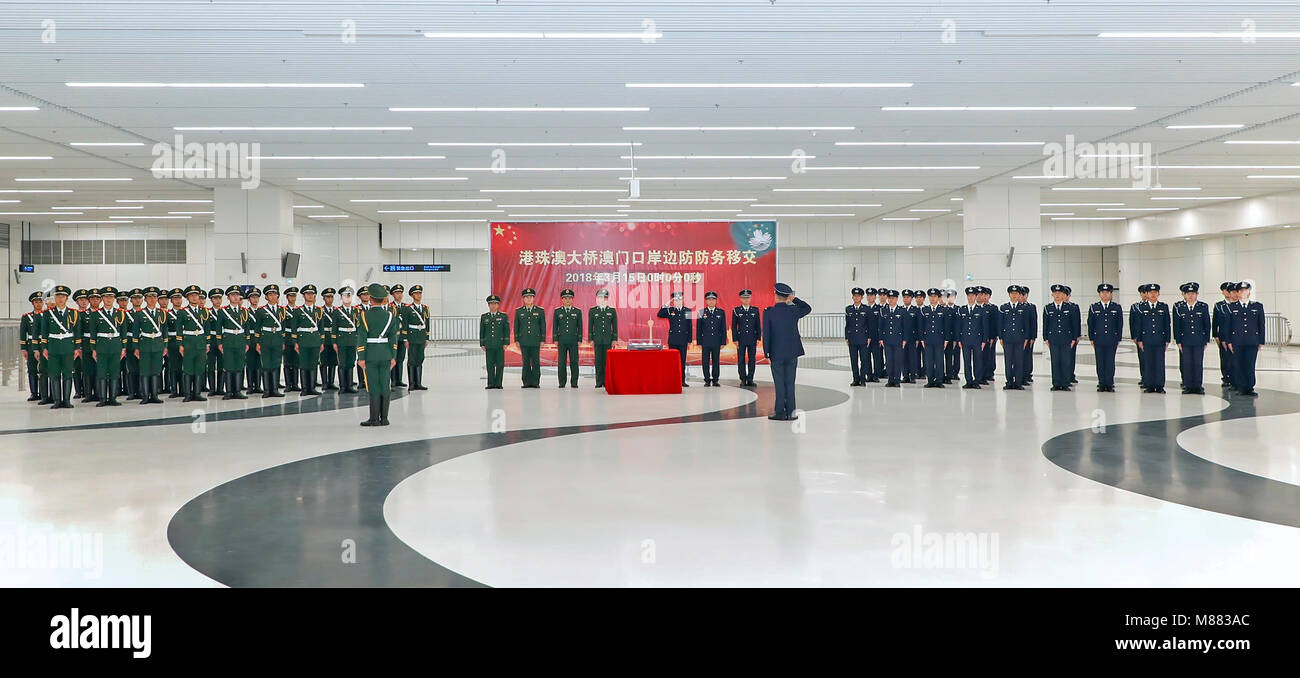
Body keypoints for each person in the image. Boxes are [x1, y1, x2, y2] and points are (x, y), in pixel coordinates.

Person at [761, 283, 811, 420]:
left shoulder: (769, 312)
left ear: (775, 295)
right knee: (790, 382)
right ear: (787, 296)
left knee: (779, 383)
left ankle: (780, 412)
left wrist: (767, 353)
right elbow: (807, 308)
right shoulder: (794, 310)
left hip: (776, 353)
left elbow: (767, 335)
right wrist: (794, 299)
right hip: (792, 352)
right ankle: (791, 411)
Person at [357, 283, 400, 426]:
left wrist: (361, 357)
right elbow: (394, 338)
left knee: (374, 385)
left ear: (371, 298)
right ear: (383, 299)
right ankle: (385, 418)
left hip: (371, 354)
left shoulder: (364, 315)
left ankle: (374, 419)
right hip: (386, 354)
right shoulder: (390, 315)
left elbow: (362, 337)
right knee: (385, 385)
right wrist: (393, 355)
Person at [41, 285, 81, 409]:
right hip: (53, 347)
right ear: (54, 298)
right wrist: (44, 348)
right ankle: (57, 401)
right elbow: (44, 332)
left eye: (63, 296)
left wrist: (77, 348)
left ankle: (67, 400)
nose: (60, 299)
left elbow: (77, 332)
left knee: (68, 374)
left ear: (66, 298)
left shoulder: (73, 313)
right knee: (54, 374)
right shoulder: (48, 314)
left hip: (68, 347)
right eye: (58, 296)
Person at [89, 286, 128, 407]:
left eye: (111, 297)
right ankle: (102, 398)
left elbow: (123, 332)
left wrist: (123, 347)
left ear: (114, 298)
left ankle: (112, 398)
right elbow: (93, 333)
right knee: (101, 372)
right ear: (102, 299)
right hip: (102, 346)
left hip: (115, 345)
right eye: (106, 297)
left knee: (114, 372)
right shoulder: (96, 314)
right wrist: (93, 349)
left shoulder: (120, 314)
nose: (109, 299)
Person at [1227, 281, 1264, 396]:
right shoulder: (1231, 307)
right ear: (1237, 293)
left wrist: (1261, 341)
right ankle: (1241, 387)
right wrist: (1228, 341)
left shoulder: (1257, 306)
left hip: (1252, 341)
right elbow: (1228, 326)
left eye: (1245, 290)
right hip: (1237, 341)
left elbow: (1261, 324)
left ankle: (1250, 387)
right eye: (1241, 291)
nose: (1243, 293)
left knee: (1250, 364)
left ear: (1249, 292)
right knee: (1239, 364)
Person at [1173, 282, 1211, 395]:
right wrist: (1178, 340)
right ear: (1184, 295)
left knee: (1198, 363)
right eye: (1188, 293)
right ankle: (1188, 386)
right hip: (1185, 340)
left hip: (1199, 340)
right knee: (1187, 363)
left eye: (1193, 293)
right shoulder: (1179, 307)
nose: (1190, 296)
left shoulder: (1203, 307)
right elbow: (1176, 325)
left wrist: (1206, 340)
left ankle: (1198, 385)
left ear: (1197, 294)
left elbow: (1207, 324)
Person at [132, 286, 167, 404]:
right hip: (145, 345)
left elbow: (165, 331)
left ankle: (155, 395)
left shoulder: (162, 313)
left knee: (156, 370)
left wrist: (165, 345)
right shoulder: (139, 314)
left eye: (154, 296)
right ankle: (145, 396)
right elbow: (135, 333)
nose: (152, 299)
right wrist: (136, 348)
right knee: (145, 371)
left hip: (157, 344)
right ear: (145, 299)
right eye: (149, 297)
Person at [215, 285, 252, 399]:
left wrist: (247, 343)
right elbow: (218, 328)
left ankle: (237, 391)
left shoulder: (244, 312)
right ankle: (229, 391)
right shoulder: (223, 311)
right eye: (233, 295)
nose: (235, 297)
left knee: (239, 366)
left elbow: (246, 329)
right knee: (229, 366)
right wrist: (219, 343)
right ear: (228, 297)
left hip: (240, 341)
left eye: (237, 295)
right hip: (228, 341)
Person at [1043, 284, 1081, 392]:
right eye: (1055, 293)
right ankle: (1056, 383)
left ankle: (1065, 383)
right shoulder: (1048, 308)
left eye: (1059, 293)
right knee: (1055, 362)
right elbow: (1046, 324)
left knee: (1065, 361)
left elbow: (1073, 324)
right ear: (1052, 294)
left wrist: (1074, 338)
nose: (1057, 295)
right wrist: (1045, 337)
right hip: (1053, 339)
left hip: (1066, 339)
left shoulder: (1070, 308)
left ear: (1063, 294)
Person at [1136, 283, 1172, 394]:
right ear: (1146, 294)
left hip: (1160, 340)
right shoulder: (1141, 307)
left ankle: (1160, 385)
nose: (1153, 294)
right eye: (1150, 292)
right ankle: (1149, 385)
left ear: (1158, 294)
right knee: (1148, 363)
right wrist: (1139, 340)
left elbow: (1167, 324)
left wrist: (1167, 339)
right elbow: (1139, 325)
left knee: (1160, 363)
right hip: (1146, 340)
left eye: (1155, 292)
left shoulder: (1163, 307)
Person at [290, 284, 325, 396]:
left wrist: (322, 342)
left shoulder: (319, 310)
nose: (310, 296)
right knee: (304, 364)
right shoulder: (298, 311)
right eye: (307, 294)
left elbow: (321, 328)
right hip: (303, 340)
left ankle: (312, 387)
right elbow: (294, 328)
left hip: (315, 340)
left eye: (312, 294)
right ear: (304, 295)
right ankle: (305, 388)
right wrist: (295, 343)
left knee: (313, 364)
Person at [175, 285, 209, 402]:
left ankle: (197, 393)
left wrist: (207, 343)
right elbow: (179, 329)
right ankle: (188, 394)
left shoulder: (204, 311)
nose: (195, 298)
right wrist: (180, 344)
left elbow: (207, 328)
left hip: (200, 342)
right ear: (187, 298)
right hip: (188, 342)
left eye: (196, 296)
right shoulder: (183, 312)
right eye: (192, 296)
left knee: (199, 368)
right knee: (188, 369)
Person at [1087, 283, 1123, 392]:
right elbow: (1091, 324)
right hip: (1098, 339)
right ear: (1099, 294)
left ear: (1111, 294)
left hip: (1112, 339)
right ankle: (1102, 383)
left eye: (1107, 292)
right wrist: (1091, 338)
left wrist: (1118, 338)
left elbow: (1119, 324)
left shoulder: (1116, 307)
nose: (1105, 294)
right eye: (1103, 292)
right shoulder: (1094, 307)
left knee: (1110, 362)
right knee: (1100, 362)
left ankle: (1109, 383)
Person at [253, 284, 286, 398]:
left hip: (277, 339)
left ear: (278, 296)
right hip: (265, 340)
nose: (273, 296)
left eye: (274, 294)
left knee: (276, 364)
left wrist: (283, 341)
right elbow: (257, 328)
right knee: (266, 364)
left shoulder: (282, 310)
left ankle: (275, 389)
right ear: (266, 297)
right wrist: (257, 343)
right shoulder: (261, 311)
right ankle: (267, 390)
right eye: (270, 294)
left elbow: (284, 327)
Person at [999, 285, 1034, 390]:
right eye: (1012, 293)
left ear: (1019, 295)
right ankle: (1009, 382)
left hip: (1020, 339)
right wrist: (1001, 337)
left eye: (1016, 294)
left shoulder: (1023, 308)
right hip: (1007, 339)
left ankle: (1018, 382)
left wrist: (1026, 339)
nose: (1014, 295)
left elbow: (1026, 325)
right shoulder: (1003, 308)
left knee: (1019, 361)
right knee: (1008, 361)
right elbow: (1000, 324)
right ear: (1009, 294)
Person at [658, 290, 693, 387]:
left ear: (682, 300)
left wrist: (689, 340)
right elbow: (660, 314)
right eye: (676, 299)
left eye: (680, 299)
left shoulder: (688, 311)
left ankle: (682, 381)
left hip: (683, 339)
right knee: (672, 361)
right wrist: (668, 302)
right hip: (673, 339)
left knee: (682, 361)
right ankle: (672, 380)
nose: (678, 301)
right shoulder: (670, 310)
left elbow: (690, 326)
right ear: (673, 300)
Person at [399, 285, 430, 390]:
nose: (418, 295)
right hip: (412, 337)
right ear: (412, 295)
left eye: (420, 293)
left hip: (421, 336)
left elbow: (427, 324)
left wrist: (427, 338)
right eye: (416, 293)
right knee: (412, 360)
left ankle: (419, 383)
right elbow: (405, 324)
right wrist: (405, 338)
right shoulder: (408, 309)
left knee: (420, 359)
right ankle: (412, 383)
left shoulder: (426, 308)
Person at [955, 286, 987, 389]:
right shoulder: (962, 309)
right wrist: (959, 339)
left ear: (976, 296)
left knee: (978, 360)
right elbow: (959, 326)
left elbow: (984, 326)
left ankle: (977, 381)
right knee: (966, 360)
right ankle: (968, 380)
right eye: (969, 295)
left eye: (972, 295)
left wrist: (984, 340)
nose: (970, 297)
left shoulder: (981, 310)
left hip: (977, 340)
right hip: (965, 340)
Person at [331, 286, 360, 394]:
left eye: (349, 295)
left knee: (350, 362)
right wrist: (334, 342)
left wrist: (358, 341)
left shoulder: (356, 311)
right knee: (342, 363)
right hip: (341, 340)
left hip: (352, 340)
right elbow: (334, 328)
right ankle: (343, 386)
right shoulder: (337, 312)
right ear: (341, 298)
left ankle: (350, 385)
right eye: (345, 295)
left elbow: (358, 327)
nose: (347, 297)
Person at [513, 288, 545, 388]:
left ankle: (535, 382)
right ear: (523, 299)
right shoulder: (519, 311)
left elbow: (542, 326)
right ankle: (526, 382)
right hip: (524, 341)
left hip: (535, 341)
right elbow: (516, 326)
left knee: (536, 362)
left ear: (533, 298)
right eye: (526, 297)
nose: (529, 299)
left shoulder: (540, 311)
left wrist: (542, 339)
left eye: (530, 297)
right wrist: (516, 340)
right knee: (525, 362)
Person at [552, 288, 583, 388]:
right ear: (562, 299)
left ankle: (574, 383)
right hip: (562, 341)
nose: (567, 300)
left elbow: (580, 326)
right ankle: (562, 383)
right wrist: (555, 339)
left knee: (574, 362)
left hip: (574, 341)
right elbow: (555, 326)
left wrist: (579, 339)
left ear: (572, 299)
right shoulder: (557, 311)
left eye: (569, 298)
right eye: (565, 298)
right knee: (561, 362)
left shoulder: (577, 311)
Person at [919, 288, 949, 388]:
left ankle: (939, 380)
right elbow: (921, 326)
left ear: (938, 297)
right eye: (931, 296)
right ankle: (930, 380)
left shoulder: (943, 310)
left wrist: (946, 339)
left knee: (939, 360)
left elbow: (946, 326)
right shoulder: (924, 310)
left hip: (939, 339)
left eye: (935, 296)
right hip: (928, 340)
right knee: (929, 361)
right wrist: (922, 338)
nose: (932, 298)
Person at [588, 289, 618, 388]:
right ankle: (599, 382)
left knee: (606, 362)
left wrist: (614, 339)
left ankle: (606, 381)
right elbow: (590, 326)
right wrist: (591, 339)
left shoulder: (612, 310)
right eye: (600, 297)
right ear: (597, 298)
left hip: (608, 340)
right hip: (597, 340)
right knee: (598, 361)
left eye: (605, 297)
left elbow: (615, 326)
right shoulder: (593, 311)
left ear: (607, 298)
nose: (602, 299)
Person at [731, 289, 760, 387]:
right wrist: (735, 339)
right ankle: (743, 379)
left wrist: (758, 338)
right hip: (741, 339)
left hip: (752, 338)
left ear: (750, 298)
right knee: (741, 359)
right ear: (740, 299)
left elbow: (758, 325)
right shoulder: (736, 311)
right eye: (744, 298)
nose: (746, 299)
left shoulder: (755, 310)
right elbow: (734, 326)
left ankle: (750, 379)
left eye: (748, 297)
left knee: (752, 359)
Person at [696, 291, 726, 386]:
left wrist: (723, 342)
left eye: (713, 299)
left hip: (716, 341)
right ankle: (707, 380)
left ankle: (716, 379)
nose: (711, 301)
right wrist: (699, 342)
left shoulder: (721, 312)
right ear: (706, 301)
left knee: (716, 361)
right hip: (705, 341)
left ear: (716, 301)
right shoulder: (701, 312)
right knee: (705, 361)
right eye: (709, 299)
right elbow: (699, 329)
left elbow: (723, 328)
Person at [879, 289, 908, 387]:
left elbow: (905, 327)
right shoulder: (884, 311)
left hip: (898, 340)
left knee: (897, 360)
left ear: (896, 299)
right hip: (887, 340)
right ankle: (890, 379)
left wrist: (905, 339)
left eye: (893, 298)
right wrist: (881, 338)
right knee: (889, 360)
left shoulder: (902, 311)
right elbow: (881, 326)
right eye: (889, 298)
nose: (891, 300)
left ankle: (897, 380)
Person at [481, 294, 510, 389]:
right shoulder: (484, 317)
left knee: (500, 365)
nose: (493, 305)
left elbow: (506, 330)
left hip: (500, 344)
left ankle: (498, 383)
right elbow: (482, 331)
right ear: (488, 305)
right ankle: (490, 383)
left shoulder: (503, 316)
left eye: (495, 304)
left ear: (498, 305)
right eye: (491, 304)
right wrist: (482, 343)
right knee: (490, 365)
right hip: (489, 344)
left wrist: (506, 343)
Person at [21, 291, 45, 402]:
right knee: (32, 369)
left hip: (44, 344)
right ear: (32, 303)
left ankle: (45, 393)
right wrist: (24, 348)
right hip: (31, 345)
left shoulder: (47, 315)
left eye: (40, 301)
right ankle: (34, 393)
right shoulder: (27, 317)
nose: (39, 304)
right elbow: (23, 333)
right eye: (36, 302)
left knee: (44, 370)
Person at [844, 287, 871, 387]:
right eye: (854, 296)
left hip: (863, 338)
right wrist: (846, 337)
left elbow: (869, 325)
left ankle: (862, 379)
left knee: (864, 360)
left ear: (862, 297)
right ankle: (855, 379)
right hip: (852, 338)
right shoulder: (849, 309)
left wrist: (869, 337)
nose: (856, 298)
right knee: (853, 360)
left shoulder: (866, 309)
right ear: (852, 297)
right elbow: (847, 325)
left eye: (858, 296)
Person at [1211, 282, 1235, 388]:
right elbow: (1215, 322)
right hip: (1223, 336)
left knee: (1235, 359)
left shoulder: (1237, 304)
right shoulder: (1219, 306)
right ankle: (1226, 378)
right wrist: (1216, 336)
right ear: (1223, 292)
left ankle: (1235, 378)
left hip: (1235, 337)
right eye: (1226, 290)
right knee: (1225, 358)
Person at [387, 283, 408, 388]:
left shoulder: (406, 307)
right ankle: (393, 380)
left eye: (400, 293)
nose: (399, 295)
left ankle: (399, 379)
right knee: (393, 358)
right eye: (396, 293)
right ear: (393, 295)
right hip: (394, 337)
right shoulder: (390, 307)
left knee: (401, 358)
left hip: (402, 337)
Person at [243, 287, 264, 394]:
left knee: (259, 364)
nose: (255, 299)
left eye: (256, 297)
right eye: (252, 297)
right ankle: (250, 386)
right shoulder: (246, 312)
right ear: (249, 299)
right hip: (250, 339)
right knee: (250, 363)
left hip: (260, 339)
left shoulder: (262, 311)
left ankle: (258, 386)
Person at [205, 287, 225, 395]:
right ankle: (212, 388)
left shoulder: (225, 312)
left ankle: (220, 388)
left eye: (219, 298)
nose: (218, 300)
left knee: (222, 365)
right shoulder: (207, 313)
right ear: (211, 300)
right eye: (215, 298)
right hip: (212, 340)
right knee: (211, 365)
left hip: (222, 340)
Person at [1129, 285, 1149, 389]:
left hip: (1150, 336)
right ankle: (1144, 377)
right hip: (1139, 337)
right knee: (1142, 358)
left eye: (1147, 292)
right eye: (1143, 292)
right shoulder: (1135, 307)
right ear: (1140, 294)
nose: (1145, 294)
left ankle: (1151, 378)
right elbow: (1132, 322)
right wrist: (1134, 336)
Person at [319, 288, 339, 391]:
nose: (330, 299)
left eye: (331, 297)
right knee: (323, 361)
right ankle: (324, 382)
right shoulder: (321, 311)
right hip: (325, 338)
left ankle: (331, 382)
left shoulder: (336, 311)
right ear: (323, 298)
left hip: (333, 338)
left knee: (333, 361)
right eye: (327, 297)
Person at [282, 286, 300, 392]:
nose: (293, 298)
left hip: (297, 338)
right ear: (287, 297)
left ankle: (295, 384)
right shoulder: (284, 310)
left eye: (294, 296)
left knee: (296, 362)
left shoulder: (299, 310)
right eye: (291, 296)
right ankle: (288, 384)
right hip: (287, 338)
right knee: (287, 362)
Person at [864, 288, 884, 383]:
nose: (870, 297)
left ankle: (876, 375)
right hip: (866, 338)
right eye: (868, 295)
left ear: (875, 297)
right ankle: (869, 375)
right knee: (866, 357)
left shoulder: (879, 309)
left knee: (877, 358)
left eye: (872, 295)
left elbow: (881, 325)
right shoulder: (864, 309)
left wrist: (881, 338)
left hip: (876, 338)